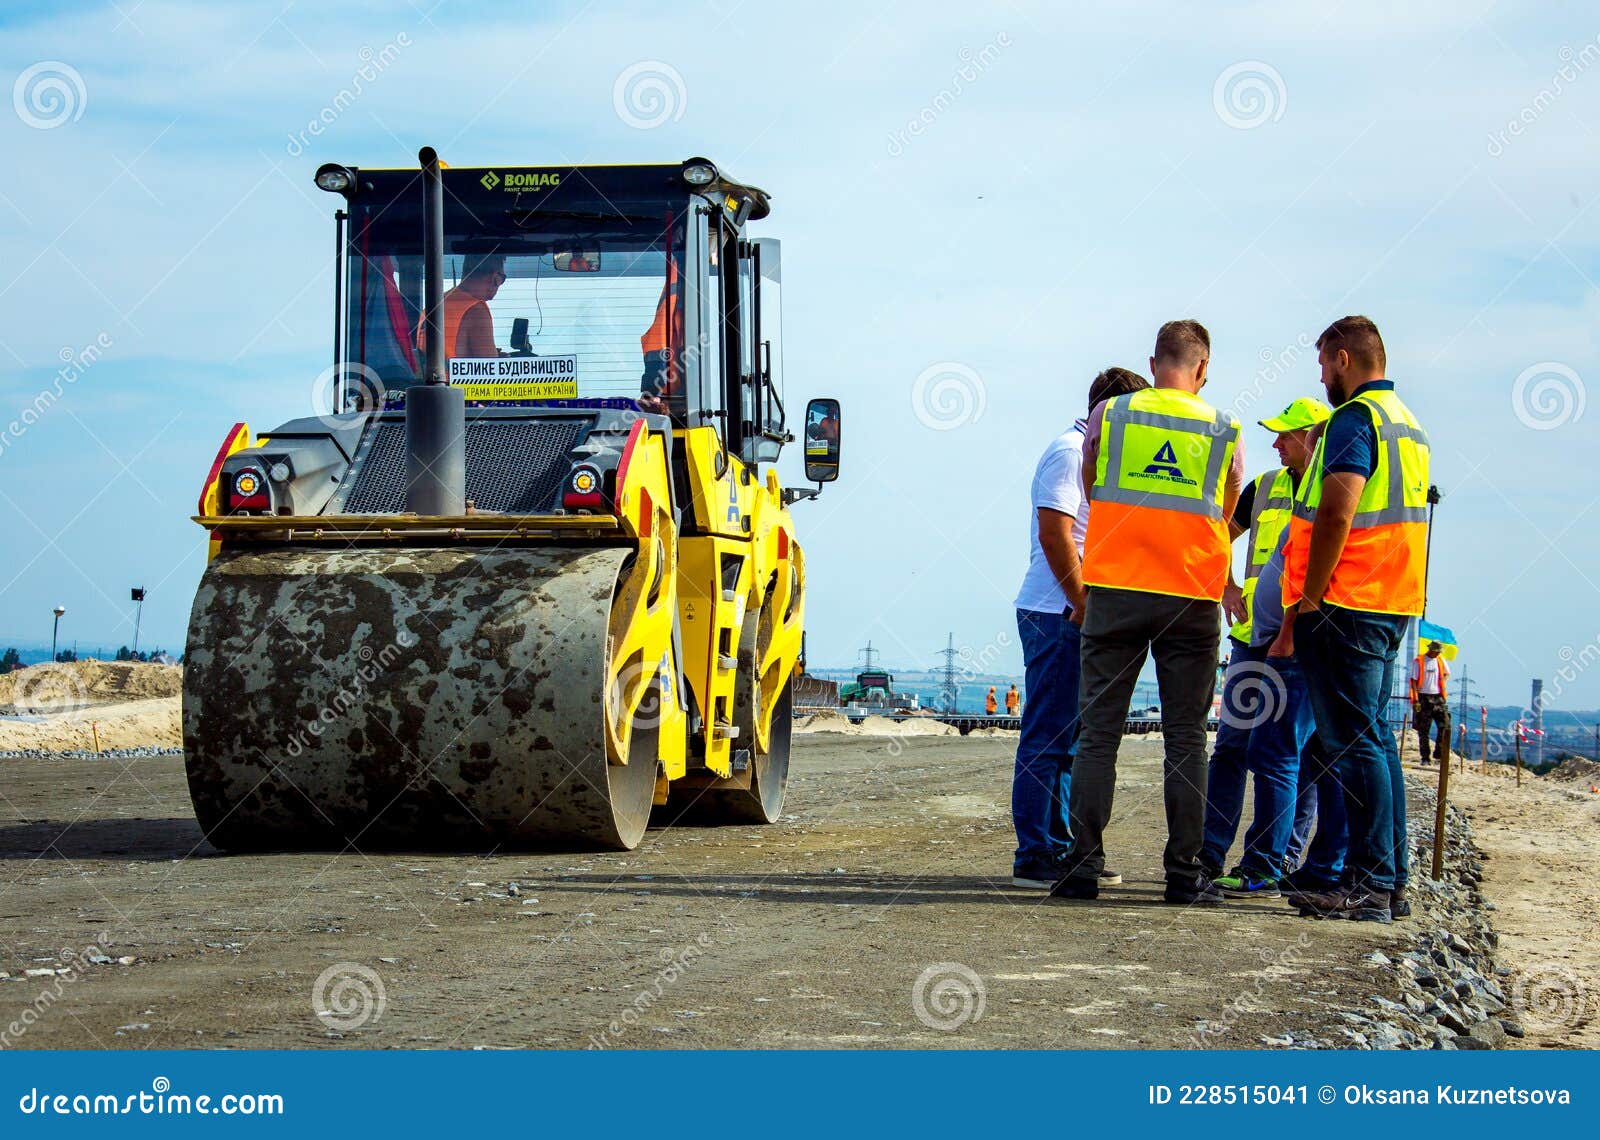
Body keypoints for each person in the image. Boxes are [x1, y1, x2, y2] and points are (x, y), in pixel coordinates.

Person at [1052, 320, 1244, 905]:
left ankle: (1083, 864)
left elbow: (1090, 478)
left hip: (1117, 585)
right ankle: (1183, 875)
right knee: (1186, 737)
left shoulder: (1113, 415)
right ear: (1203, 368)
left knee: (1099, 733)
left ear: (1154, 361)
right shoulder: (1222, 427)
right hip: (1191, 592)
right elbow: (1230, 498)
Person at [1272, 316, 1430, 924]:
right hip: (1391, 598)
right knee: (1375, 741)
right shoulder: (1409, 426)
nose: (1321, 377)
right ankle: (1388, 882)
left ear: (1342, 358)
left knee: (1355, 744)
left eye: (1322, 365)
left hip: (1348, 602)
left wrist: (1310, 598)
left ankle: (1369, 884)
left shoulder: (1354, 419)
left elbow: (1338, 510)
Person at [1009, 366, 1148, 889]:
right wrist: (1082, 602)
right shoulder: (1071, 452)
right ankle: (1035, 855)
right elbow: (1055, 533)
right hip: (1057, 611)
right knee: (1048, 736)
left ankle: (1063, 847)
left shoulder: (1097, 456)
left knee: (1072, 737)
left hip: (1076, 611)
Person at [1199, 397, 1330, 897]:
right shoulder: (1265, 487)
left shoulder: (1333, 487)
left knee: (1293, 754)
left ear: (1311, 436)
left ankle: (1276, 860)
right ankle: (1210, 853)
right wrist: (1227, 586)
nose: (1275, 443)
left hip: (1297, 644)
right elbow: (1218, 537)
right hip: (1250, 639)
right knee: (1231, 748)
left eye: (1285, 435)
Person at [418, 253, 504, 360]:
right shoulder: (476, 311)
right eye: (502, 279)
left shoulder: (435, 305)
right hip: (449, 377)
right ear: (495, 278)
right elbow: (491, 370)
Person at [1411, 641, 1451, 766]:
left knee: (1445, 726)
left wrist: (1440, 682)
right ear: (1432, 650)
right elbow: (1413, 681)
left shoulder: (1440, 660)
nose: (1438, 653)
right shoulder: (1419, 661)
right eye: (1437, 651)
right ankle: (1425, 758)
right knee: (1423, 730)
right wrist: (1416, 699)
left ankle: (1439, 752)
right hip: (1424, 697)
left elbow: (1446, 673)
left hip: (1438, 697)